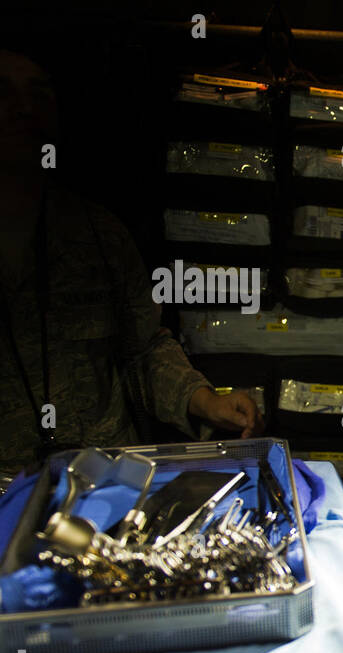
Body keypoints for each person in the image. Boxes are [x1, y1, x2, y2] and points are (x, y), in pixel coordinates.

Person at [0, 50, 263, 479]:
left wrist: (204, 400)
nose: (24, 108)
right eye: (3, 93)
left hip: (103, 486)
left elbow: (142, 349)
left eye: (38, 94)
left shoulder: (98, 234)